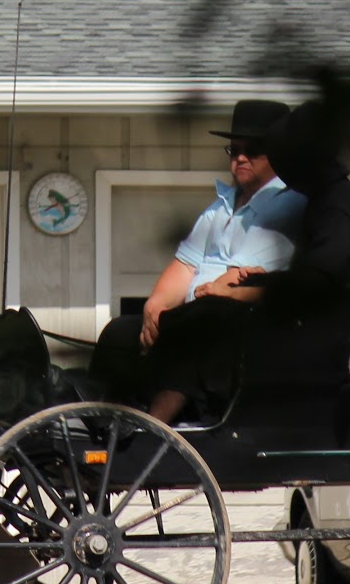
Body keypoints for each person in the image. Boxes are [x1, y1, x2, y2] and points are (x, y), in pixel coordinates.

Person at [146, 99, 350, 421]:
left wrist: (234, 292)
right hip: (318, 328)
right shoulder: (324, 201)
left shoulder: (336, 209)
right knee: (197, 317)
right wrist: (261, 280)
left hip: (334, 338)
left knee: (204, 318)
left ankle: (158, 423)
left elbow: (314, 287)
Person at [91, 99, 306, 418]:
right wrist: (156, 306)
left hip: (238, 325)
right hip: (198, 316)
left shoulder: (287, 204)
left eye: (253, 150)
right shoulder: (220, 206)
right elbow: (184, 266)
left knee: (191, 331)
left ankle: (153, 426)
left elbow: (234, 279)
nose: (241, 158)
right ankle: (106, 417)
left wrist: (173, 320)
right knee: (120, 332)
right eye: (235, 151)